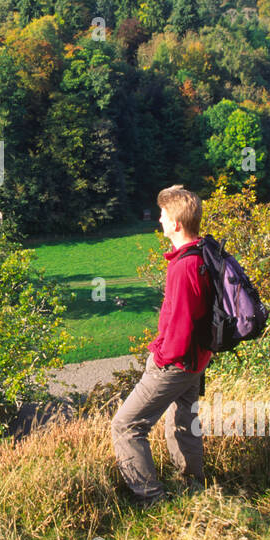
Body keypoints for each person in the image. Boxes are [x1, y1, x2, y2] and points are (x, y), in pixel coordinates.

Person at [111, 185, 214, 509]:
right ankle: (193, 486)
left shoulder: (184, 267)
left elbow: (181, 326)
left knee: (126, 426)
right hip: (196, 359)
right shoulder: (201, 253)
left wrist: (160, 357)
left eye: (163, 215)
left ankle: (151, 500)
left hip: (177, 362)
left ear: (176, 224)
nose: (159, 220)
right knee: (183, 421)